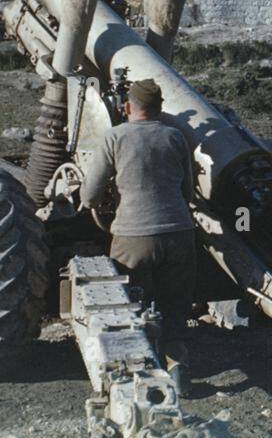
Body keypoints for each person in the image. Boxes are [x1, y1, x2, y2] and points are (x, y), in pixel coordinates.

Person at [81, 77, 197, 377]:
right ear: (159, 107)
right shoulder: (175, 137)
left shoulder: (114, 138)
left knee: (129, 305)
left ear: (127, 106)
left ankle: (140, 369)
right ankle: (178, 362)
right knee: (174, 305)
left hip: (133, 238)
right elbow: (188, 194)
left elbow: (90, 195)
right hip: (179, 235)